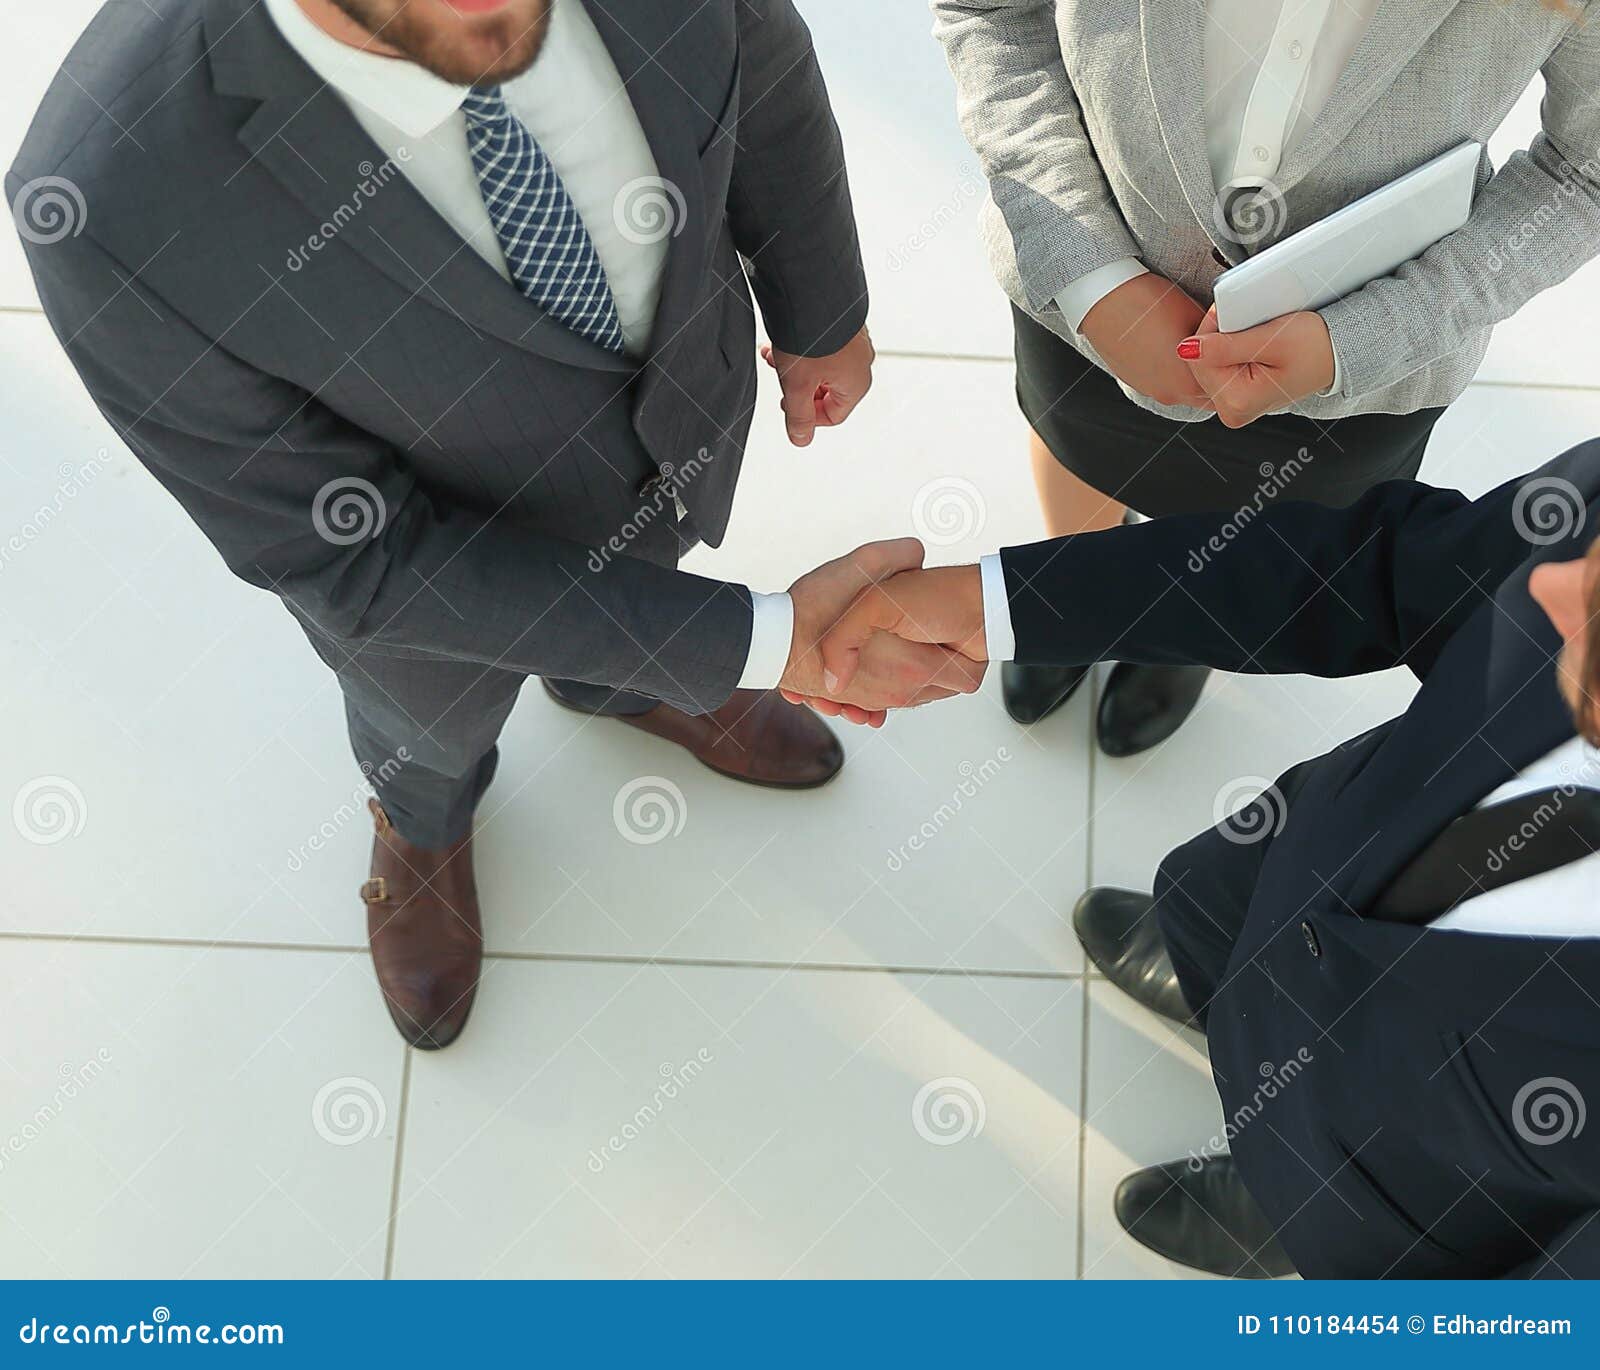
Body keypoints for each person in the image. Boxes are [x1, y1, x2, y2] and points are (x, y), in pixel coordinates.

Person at [8, 0, 980, 1050]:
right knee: (428, 734)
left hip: (676, 428)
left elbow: (764, 59)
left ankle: (627, 680)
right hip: (432, 603)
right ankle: (421, 829)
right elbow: (357, 559)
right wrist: (760, 642)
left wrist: (820, 307)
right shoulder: (112, 195)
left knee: (644, 593)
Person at [808, 440, 1600, 1278]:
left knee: (1315, 1177)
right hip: (1318, 852)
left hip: (1381, 1190)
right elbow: (1380, 569)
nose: (1548, 582)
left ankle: (1275, 1204)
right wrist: (996, 606)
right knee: (1220, 909)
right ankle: (1215, 981)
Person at [930, 0, 1600, 755]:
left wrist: (1353, 339)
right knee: (1078, 457)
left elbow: (1585, 171)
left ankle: (1172, 636)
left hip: (1356, 385)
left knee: (1241, 565)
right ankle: (1069, 589)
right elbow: (992, 13)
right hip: (1087, 296)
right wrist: (1090, 279)